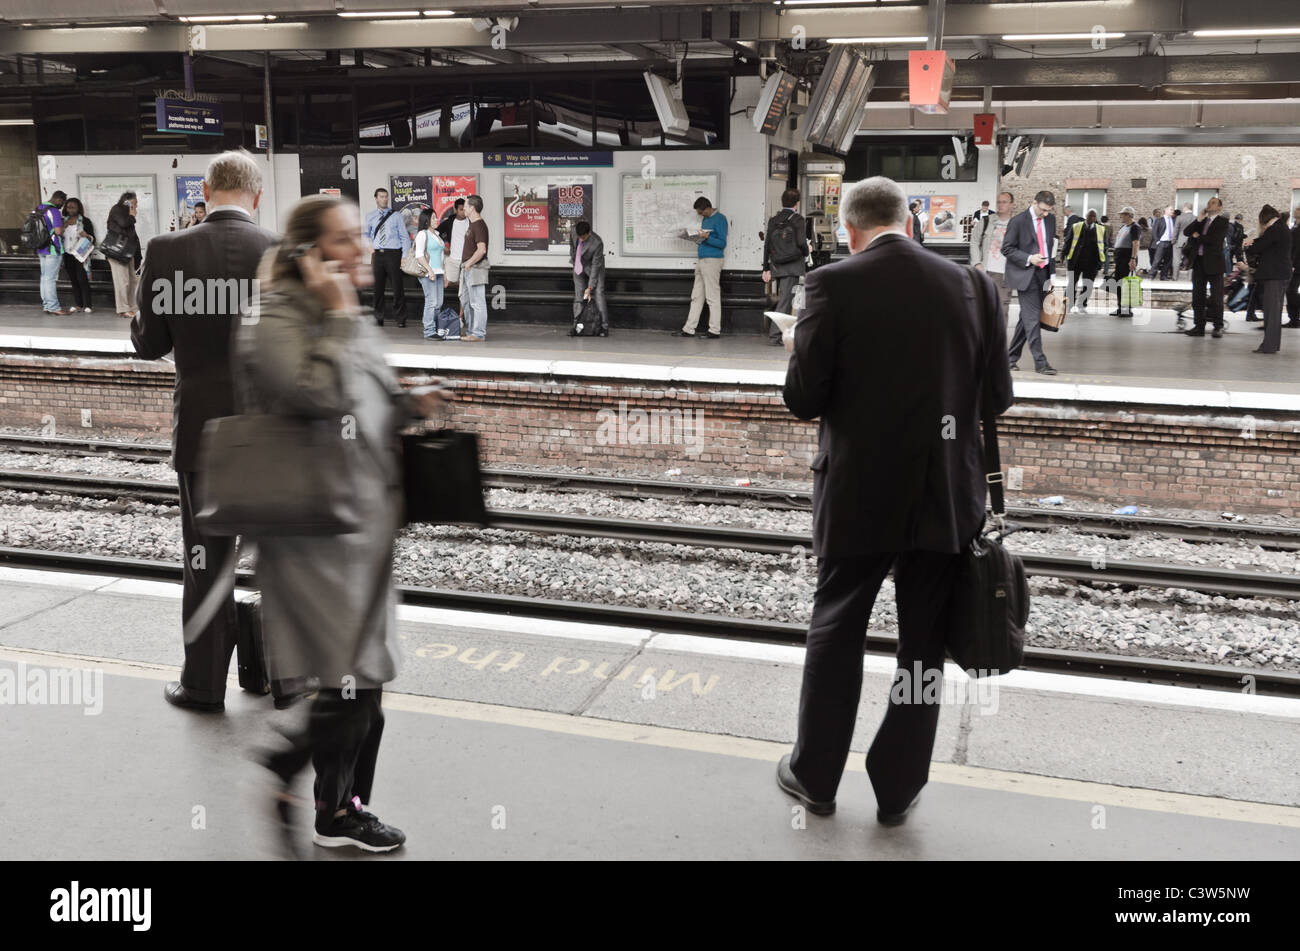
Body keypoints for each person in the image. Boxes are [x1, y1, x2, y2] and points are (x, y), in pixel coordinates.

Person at [775, 175, 1013, 825]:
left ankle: (816, 775)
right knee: (923, 647)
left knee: (837, 628)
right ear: (910, 220)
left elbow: (803, 398)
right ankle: (898, 786)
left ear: (848, 229)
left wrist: (798, 343)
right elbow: (997, 398)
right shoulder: (975, 286)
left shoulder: (832, 283)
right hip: (945, 497)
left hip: (858, 495)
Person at [238, 194, 447, 852]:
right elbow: (316, 396)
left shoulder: (346, 318)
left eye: (359, 236)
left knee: (366, 673)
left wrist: (411, 404)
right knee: (354, 674)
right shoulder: (274, 320)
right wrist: (335, 318)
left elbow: (364, 403)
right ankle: (301, 772)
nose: (360, 250)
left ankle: (337, 802)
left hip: (363, 526)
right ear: (307, 254)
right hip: (313, 531)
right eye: (345, 239)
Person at [130, 149, 279, 713]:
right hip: (272, 438)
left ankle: (204, 686)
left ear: (207, 190)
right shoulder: (279, 252)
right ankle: (281, 680)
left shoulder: (167, 250)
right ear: (256, 196)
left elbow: (149, 345)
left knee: (206, 563)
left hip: (203, 435)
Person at [1003, 190, 1059, 375]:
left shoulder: (1050, 220)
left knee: (1026, 319)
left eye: (1048, 210)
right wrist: (1029, 258)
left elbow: (1049, 248)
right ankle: (1040, 362)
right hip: (1025, 274)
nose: (1045, 214)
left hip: (1043, 275)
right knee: (1033, 318)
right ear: (1034, 202)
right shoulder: (1018, 221)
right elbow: (1007, 248)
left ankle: (1010, 359)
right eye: (1043, 210)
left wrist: (1051, 275)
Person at [674, 196, 728, 338]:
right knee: (696, 296)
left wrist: (706, 237)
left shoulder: (721, 219)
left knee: (712, 297)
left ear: (708, 208)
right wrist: (694, 237)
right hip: (702, 260)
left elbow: (722, 243)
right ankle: (689, 328)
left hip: (713, 260)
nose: (700, 215)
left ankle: (714, 330)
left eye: (701, 212)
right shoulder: (706, 219)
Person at [761, 188, 809, 345]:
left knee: (786, 300)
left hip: (777, 264)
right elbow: (802, 243)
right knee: (786, 301)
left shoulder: (774, 219)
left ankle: (784, 333)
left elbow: (767, 244)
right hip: (793, 265)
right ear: (797, 203)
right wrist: (807, 250)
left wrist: (766, 267)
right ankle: (775, 336)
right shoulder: (798, 219)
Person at [1243, 204, 1291, 354]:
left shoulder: (1274, 229)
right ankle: (1272, 345)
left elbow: (1259, 247)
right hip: (1280, 274)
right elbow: (1267, 244)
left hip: (1274, 276)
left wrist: (1248, 245)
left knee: (1272, 312)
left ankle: (1269, 346)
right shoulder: (1281, 227)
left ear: (1264, 219)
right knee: (1273, 312)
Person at [364, 186, 411, 328]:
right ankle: (378, 317)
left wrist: (404, 256)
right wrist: (369, 247)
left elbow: (405, 237)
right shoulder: (370, 216)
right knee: (378, 288)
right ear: (376, 198)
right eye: (381, 197)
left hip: (393, 254)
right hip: (378, 255)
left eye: (386, 196)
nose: (384, 199)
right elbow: (365, 234)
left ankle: (400, 318)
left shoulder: (396, 215)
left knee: (397, 288)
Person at [1182, 196, 1229, 338]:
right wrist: (1198, 220)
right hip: (1199, 263)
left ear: (1220, 207)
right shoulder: (1202, 222)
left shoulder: (1223, 222)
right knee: (1198, 296)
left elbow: (1214, 241)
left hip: (1214, 264)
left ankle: (1218, 326)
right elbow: (1186, 232)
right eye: (1208, 202)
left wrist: (1198, 237)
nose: (1209, 204)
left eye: (1213, 203)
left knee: (1216, 298)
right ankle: (1199, 326)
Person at [970, 190, 1015, 325]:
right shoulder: (986, 221)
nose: (1000, 205)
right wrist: (977, 263)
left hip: (1005, 273)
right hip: (986, 270)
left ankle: (998, 342)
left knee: (1002, 309)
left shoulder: (1017, 223)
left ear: (1012, 205)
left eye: (1004, 202)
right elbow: (974, 241)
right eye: (999, 202)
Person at [413, 207, 450, 341]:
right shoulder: (423, 234)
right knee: (431, 301)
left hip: (439, 272)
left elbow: (442, 257)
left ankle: (434, 328)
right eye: (433, 218)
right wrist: (429, 270)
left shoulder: (437, 235)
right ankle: (429, 330)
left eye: (436, 217)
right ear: (426, 220)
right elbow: (419, 256)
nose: (436, 220)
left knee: (439, 302)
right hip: (428, 274)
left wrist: (444, 274)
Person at [568, 220, 609, 337]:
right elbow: (572, 245)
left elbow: (596, 267)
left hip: (594, 266)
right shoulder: (573, 232)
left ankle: (604, 327)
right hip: (578, 264)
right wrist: (574, 257)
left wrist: (590, 287)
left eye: (583, 237)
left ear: (589, 233)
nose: (581, 239)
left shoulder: (597, 243)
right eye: (579, 237)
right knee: (578, 295)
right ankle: (577, 326)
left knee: (599, 293)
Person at [459, 194, 490, 341]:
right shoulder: (472, 224)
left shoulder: (479, 225)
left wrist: (469, 263)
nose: (463, 208)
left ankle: (478, 333)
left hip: (475, 268)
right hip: (468, 267)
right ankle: (472, 331)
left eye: (465, 205)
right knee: (467, 301)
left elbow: (481, 249)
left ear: (472, 208)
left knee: (477, 302)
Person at [33, 190, 70, 316]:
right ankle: (54, 307)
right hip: (53, 249)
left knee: (44, 278)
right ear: (59, 199)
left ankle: (47, 305)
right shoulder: (54, 211)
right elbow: (58, 231)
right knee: (50, 279)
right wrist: (65, 224)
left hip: (41, 247)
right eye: (63, 203)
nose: (62, 206)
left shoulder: (39, 208)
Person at [106, 191, 142, 319]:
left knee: (132, 279)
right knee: (122, 280)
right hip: (117, 251)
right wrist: (132, 215)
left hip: (128, 251)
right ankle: (123, 308)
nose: (136, 205)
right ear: (127, 201)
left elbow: (131, 233)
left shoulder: (126, 212)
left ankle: (132, 306)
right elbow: (123, 223)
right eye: (135, 202)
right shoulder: (117, 209)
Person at [1066, 210, 1106, 314]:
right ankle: (1068, 305)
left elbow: (1104, 246)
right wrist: (1063, 255)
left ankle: (1082, 305)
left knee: (1088, 285)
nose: (1091, 218)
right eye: (1090, 215)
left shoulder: (1101, 229)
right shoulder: (1076, 226)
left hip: (1092, 262)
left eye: (1094, 216)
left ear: (1096, 218)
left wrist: (1101, 262)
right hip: (1076, 260)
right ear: (1086, 216)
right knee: (1071, 284)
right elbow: (1068, 241)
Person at [60, 197, 94, 314]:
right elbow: (58, 236)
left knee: (82, 279)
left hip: (80, 254)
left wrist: (87, 235)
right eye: (68, 207)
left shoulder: (85, 221)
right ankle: (78, 304)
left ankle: (88, 305)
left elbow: (92, 239)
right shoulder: (63, 221)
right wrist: (62, 228)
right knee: (73, 280)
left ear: (78, 208)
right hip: (67, 254)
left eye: (73, 207)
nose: (71, 209)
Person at [1111, 208, 1142, 317]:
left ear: (1129, 215)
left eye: (1123, 214)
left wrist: (1133, 259)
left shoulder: (1135, 227)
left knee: (1126, 284)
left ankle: (1127, 309)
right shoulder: (1123, 227)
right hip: (1120, 258)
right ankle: (1121, 307)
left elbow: (1135, 244)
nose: (1120, 216)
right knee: (1119, 283)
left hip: (1127, 257)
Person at [1151, 206, 1176, 281]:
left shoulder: (1173, 220)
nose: (1173, 211)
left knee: (1168, 261)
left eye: (1173, 210)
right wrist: (1158, 241)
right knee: (1157, 260)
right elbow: (1154, 231)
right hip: (1161, 242)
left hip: (1170, 242)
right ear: (1166, 210)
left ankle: (1163, 276)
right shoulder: (1159, 220)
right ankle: (1152, 275)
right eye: (1171, 210)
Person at [1172, 202, 1196, 275]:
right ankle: (1190, 278)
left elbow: (1176, 230)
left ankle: (1175, 277)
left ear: (1185, 208)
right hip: (1191, 241)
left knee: (1176, 259)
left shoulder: (1179, 217)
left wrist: (1173, 240)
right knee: (1191, 259)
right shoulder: (1195, 218)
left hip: (1179, 241)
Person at [1287, 205, 1300, 328]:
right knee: (1290, 291)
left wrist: (1292, 264)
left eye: (1299, 209)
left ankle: (1295, 319)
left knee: (1291, 291)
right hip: (1293, 264)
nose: (1295, 210)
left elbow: (1297, 248)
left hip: (1296, 265)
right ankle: (1294, 319)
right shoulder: (1294, 226)